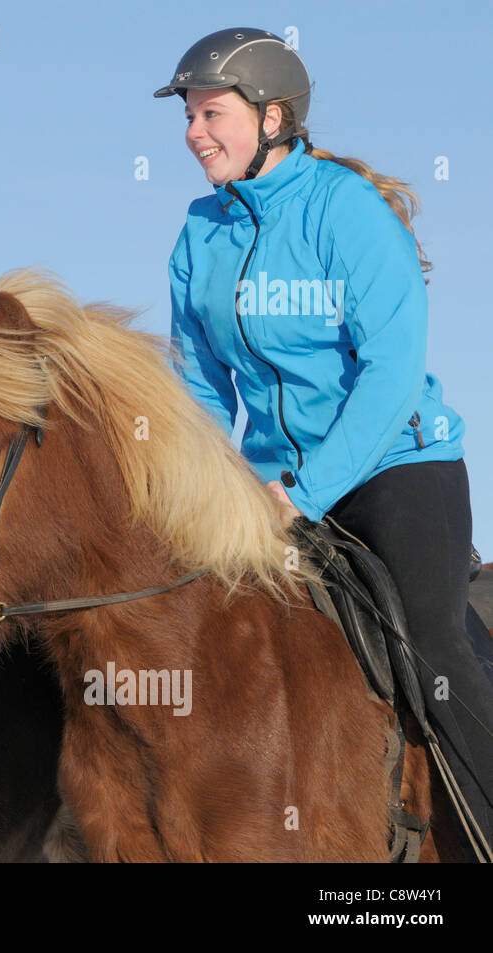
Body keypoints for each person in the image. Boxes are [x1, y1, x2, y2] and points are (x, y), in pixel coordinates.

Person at [156, 28, 493, 857]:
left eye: (210, 113)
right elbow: (199, 390)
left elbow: (390, 370)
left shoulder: (347, 209)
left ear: (273, 118)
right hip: (267, 489)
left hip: (392, 464)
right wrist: (214, 494)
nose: (193, 132)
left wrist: (300, 494)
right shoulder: (200, 233)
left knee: (433, 642)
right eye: (190, 116)